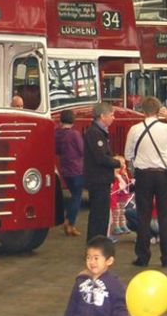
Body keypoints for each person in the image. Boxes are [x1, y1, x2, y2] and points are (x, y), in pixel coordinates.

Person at [124, 97, 167, 268]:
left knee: (143, 216)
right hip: (163, 176)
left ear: (142, 111)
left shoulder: (135, 129)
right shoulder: (166, 128)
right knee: (165, 218)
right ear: (158, 111)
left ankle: (142, 257)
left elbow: (128, 154)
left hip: (143, 176)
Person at [83, 102, 124, 242]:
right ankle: (96, 243)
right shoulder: (94, 133)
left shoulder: (99, 132)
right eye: (111, 115)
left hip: (101, 179)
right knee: (99, 215)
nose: (113, 118)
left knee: (101, 214)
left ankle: (98, 242)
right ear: (102, 116)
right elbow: (101, 158)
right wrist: (117, 162)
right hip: (98, 180)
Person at [55, 109, 84, 236]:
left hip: (65, 168)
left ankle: (68, 221)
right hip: (77, 169)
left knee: (73, 195)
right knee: (77, 196)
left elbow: (56, 150)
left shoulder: (57, 133)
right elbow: (82, 150)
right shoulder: (75, 134)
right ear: (73, 120)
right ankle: (69, 223)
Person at [109, 162, 133, 238]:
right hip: (117, 198)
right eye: (123, 168)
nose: (125, 169)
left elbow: (127, 184)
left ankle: (123, 225)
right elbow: (114, 188)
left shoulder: (125, 175)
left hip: (124, 197)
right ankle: (116, 226)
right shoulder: (116, 177)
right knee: (116, 212)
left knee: (123, 212)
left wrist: (131, 182)